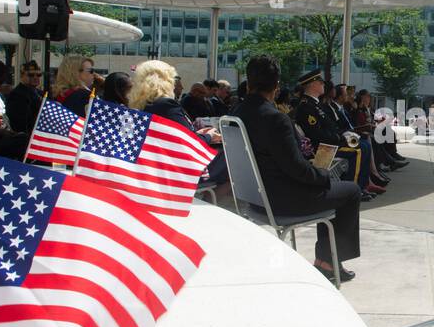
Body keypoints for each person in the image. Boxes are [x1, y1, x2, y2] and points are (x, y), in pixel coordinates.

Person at [237, 55, 360, 283]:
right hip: (281, 201)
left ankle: (326, 259)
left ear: (250, 82)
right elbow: (297, 170)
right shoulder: (275, 119)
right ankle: (329, 261)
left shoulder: (236, 114)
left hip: (252, 199)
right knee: (350, 191)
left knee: (333, 187)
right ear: (276, 86)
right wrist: (323, 175)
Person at [129, 60, 228, 187]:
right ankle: (211, 201)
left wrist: (198, 134)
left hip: (154, 169)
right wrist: (209, 136)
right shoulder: (166, 105)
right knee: (234, 160)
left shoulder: (140, 106)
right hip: (179, 172)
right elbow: (188, 143)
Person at [294, 70, 377, 198]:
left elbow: (331, 126)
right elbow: (317, 135)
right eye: (320, 82)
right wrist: (340, 138)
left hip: (329, 143)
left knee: (365, 145)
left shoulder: (316, 105)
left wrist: (345, 134)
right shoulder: (306, 107)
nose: (323, 84)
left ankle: (362, 185)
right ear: (312, 85)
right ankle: (353, 191)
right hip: (322, 149)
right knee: (358, 150)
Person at [4, 61, 43, 133]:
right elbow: (19, 123)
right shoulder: (16, 95)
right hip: (26, 136)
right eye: (31, 75)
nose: (35, 77)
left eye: (39, 75)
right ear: (22, 76)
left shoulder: (40, 93)